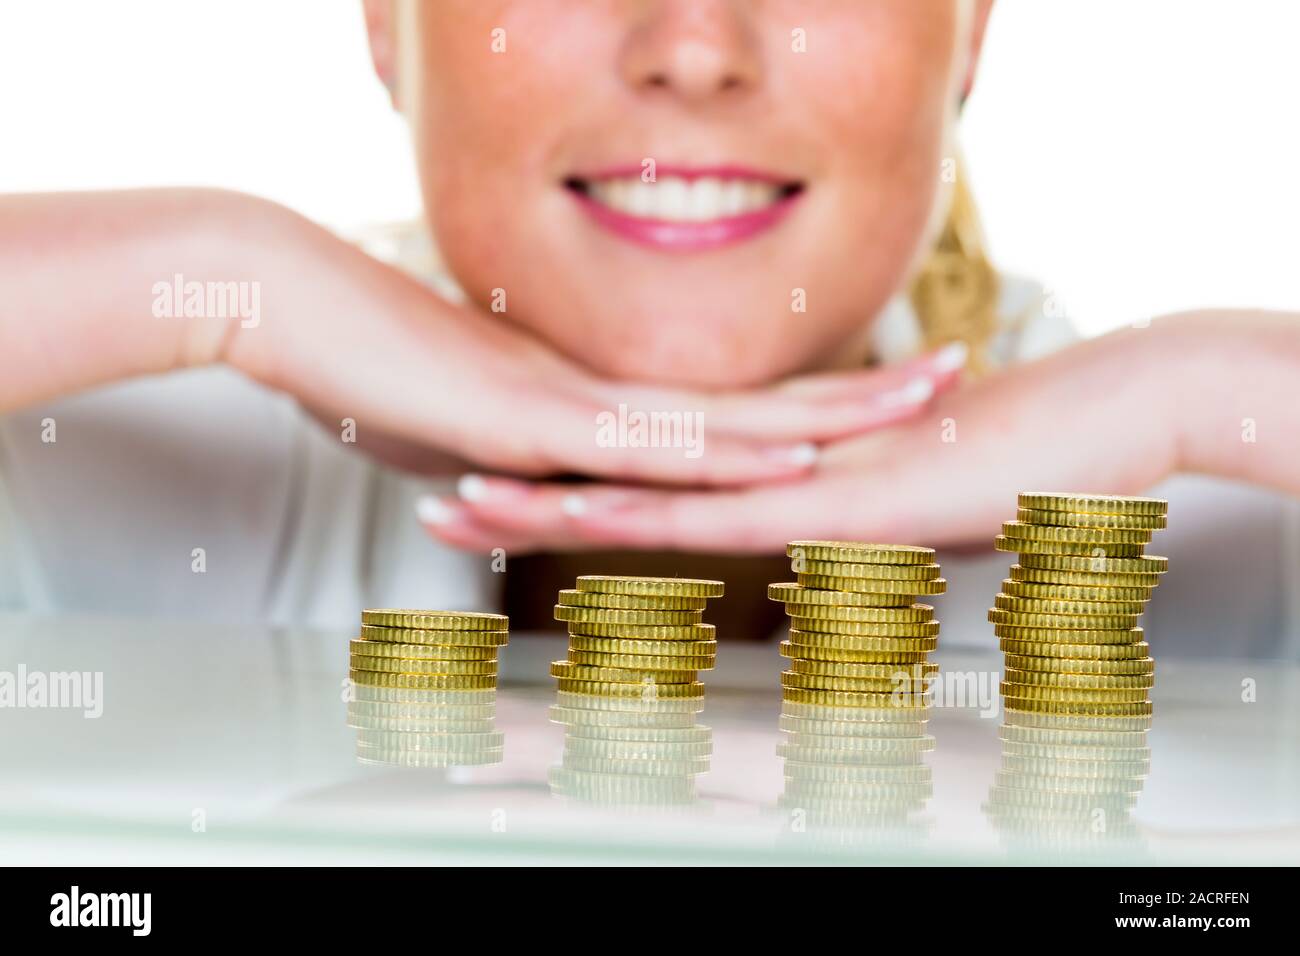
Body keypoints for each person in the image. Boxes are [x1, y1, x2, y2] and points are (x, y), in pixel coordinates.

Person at [1, 1, 1296, 656]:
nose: (693, 47)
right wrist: (228, 269)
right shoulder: (118, 451)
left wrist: (1203, 382)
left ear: (970, 35)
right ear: (386, 28)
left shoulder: (1225, 512)